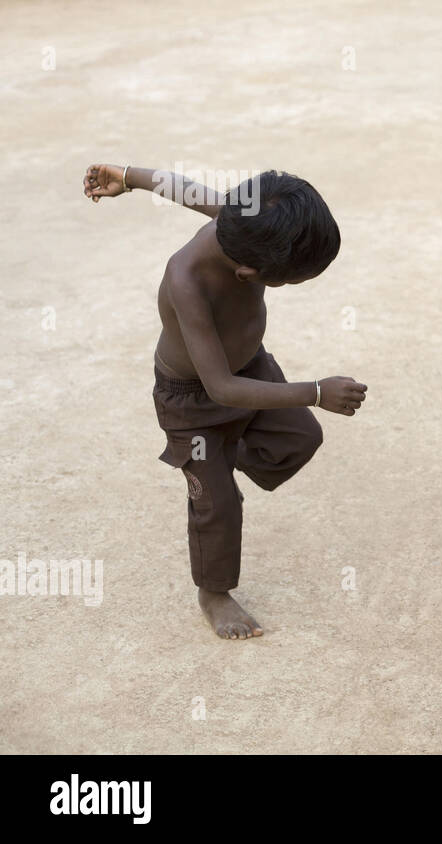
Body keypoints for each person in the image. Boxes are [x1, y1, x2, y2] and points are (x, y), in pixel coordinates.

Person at [82, 163, 367, 639]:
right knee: (217, 505)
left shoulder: (242, 223)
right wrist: (316, 391)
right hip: (194, 398)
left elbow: (183, 188)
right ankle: (213, 592)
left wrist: (129, 175)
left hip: (250, 367)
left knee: (299, 439)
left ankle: (219, 461)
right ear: (248, 274)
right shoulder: (187, 279)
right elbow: (219, 388)